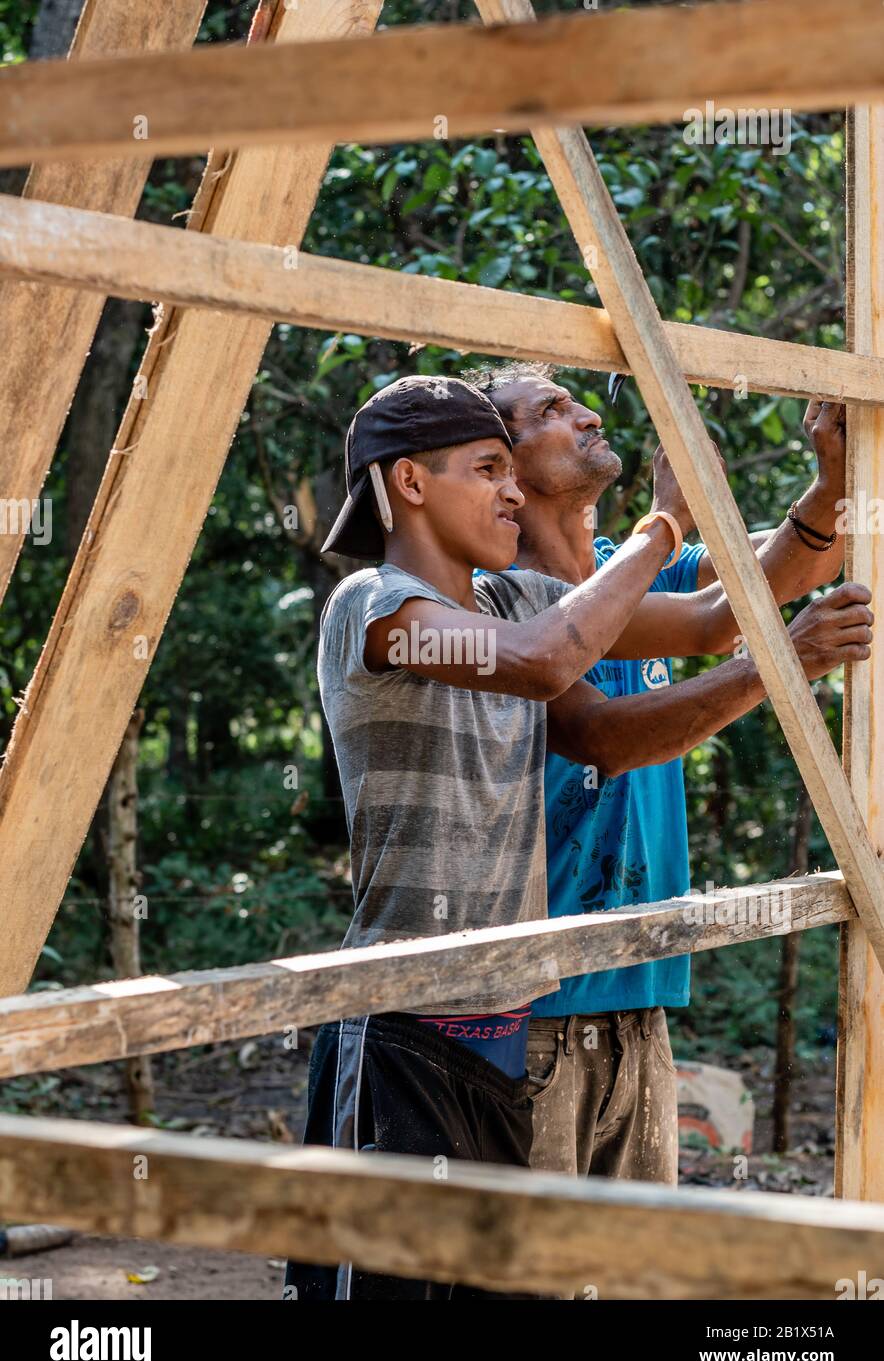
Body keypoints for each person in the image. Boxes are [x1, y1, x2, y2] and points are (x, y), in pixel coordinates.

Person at [284, 373, 869, 1300]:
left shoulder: (517, 601)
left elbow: (716, 619)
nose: (511, 488)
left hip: (499, 1030)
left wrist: (828, 493)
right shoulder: (373, 603)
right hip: (402, 1024)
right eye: (488, 468)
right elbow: (552, 663)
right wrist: (664, 527)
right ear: (409, 483)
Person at [466, 360, 856, 1190]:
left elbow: (755, 588)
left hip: (638, 992)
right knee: (528, 1272)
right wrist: (779, 654)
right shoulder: (495, 601)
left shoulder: (630, 574)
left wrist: (830, 489)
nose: (586, 416)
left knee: (634, 1270)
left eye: (577, 400)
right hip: (529, 1009)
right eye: (551, 410)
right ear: (500, 467)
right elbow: (606, 740)